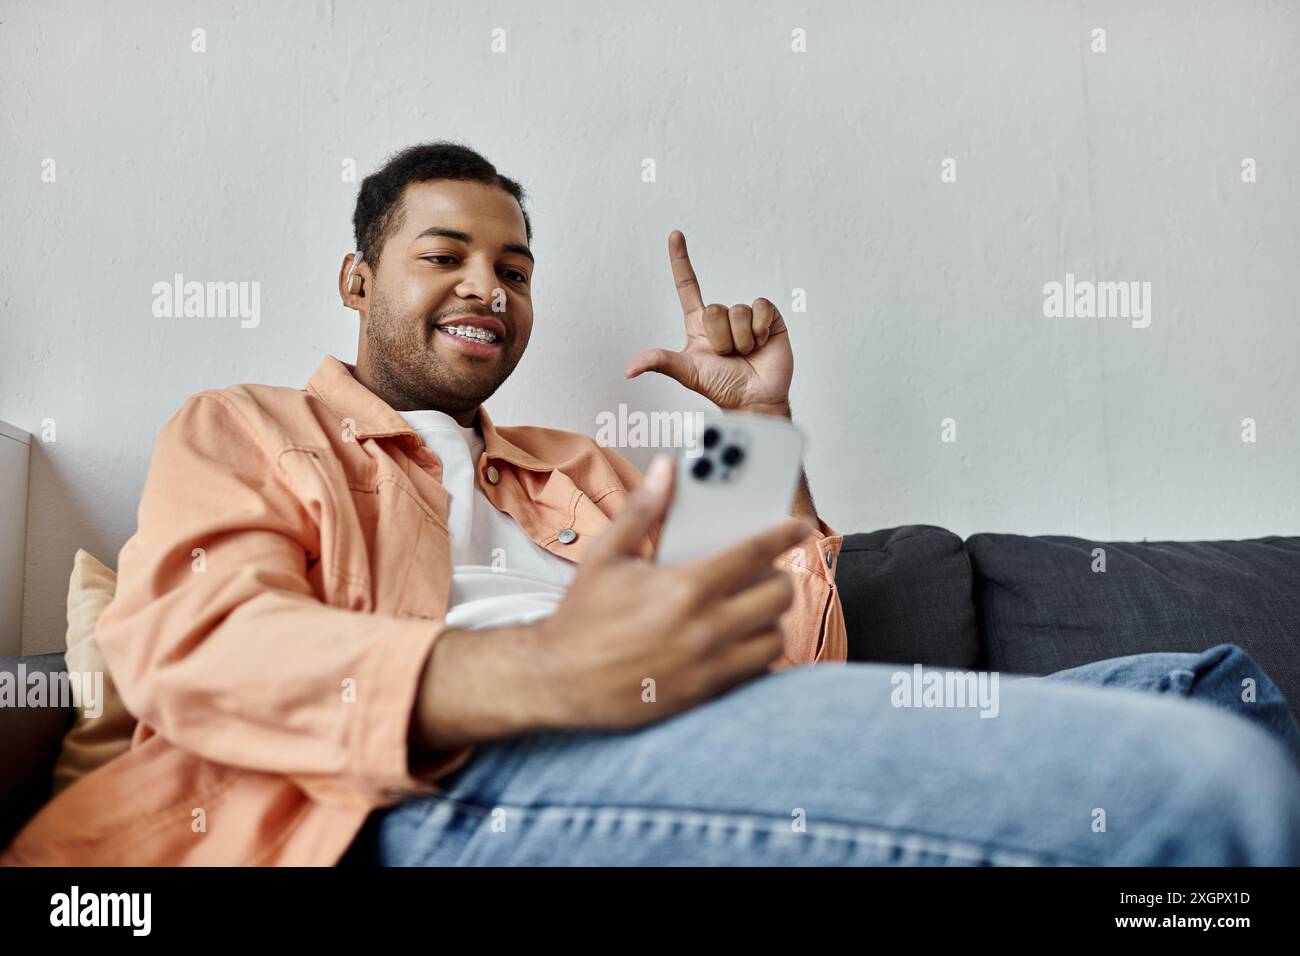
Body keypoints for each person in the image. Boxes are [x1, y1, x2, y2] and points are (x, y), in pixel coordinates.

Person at [5, 142, 1297, 867]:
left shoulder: (576, 468)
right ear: (355, 275)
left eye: (513, 266)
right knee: (1198, 785)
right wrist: (543, 674)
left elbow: (780, 639)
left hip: (673, 736)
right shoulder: (248, 429)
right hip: (411, 790)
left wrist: (748, 429)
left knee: (1216, 690)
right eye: (443, 255)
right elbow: (187, 648)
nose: (488, 287)